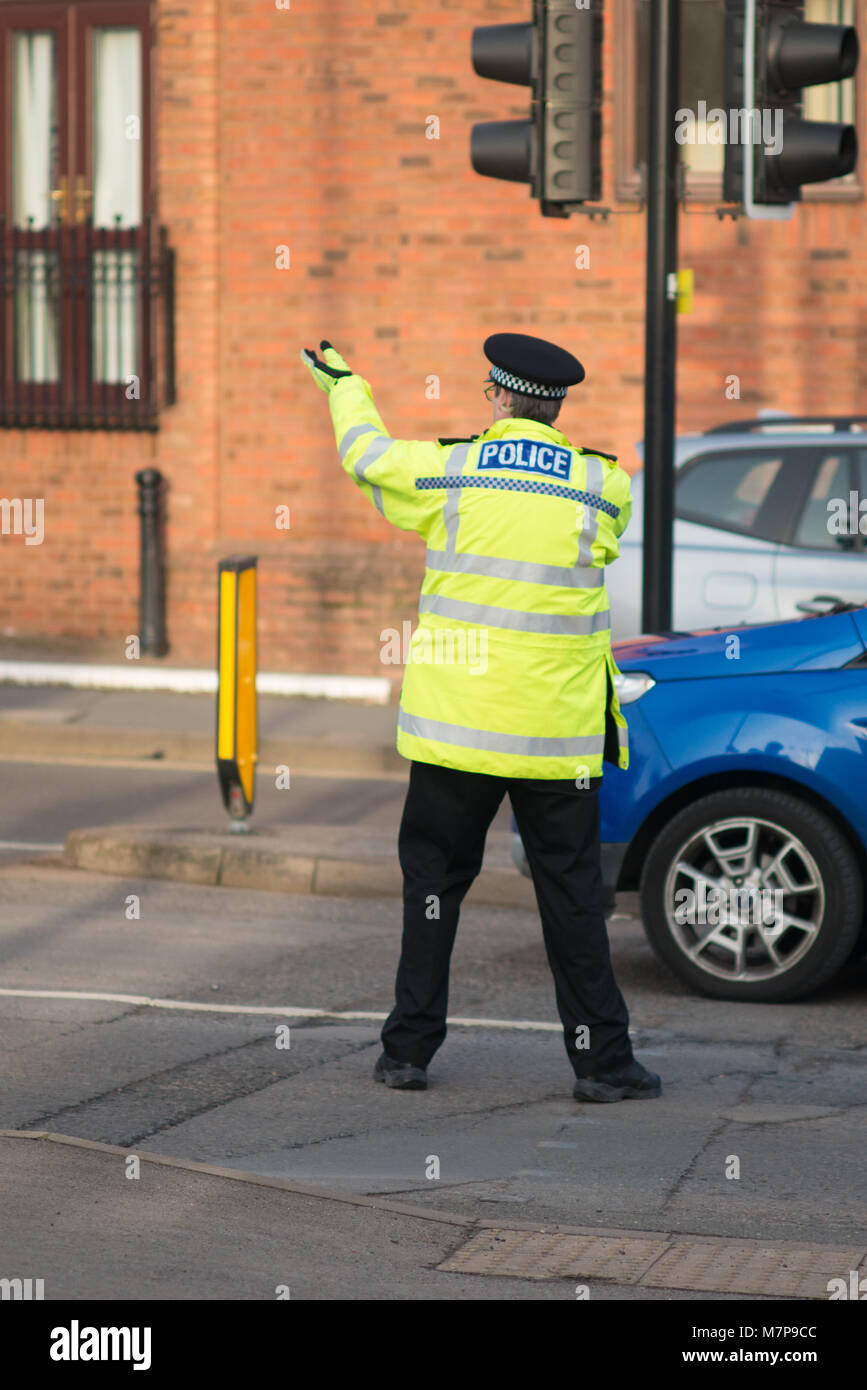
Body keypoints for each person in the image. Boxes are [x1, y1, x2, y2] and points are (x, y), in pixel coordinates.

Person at [302, 333, 661, 1104]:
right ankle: (603, 1065)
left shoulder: (452, 468)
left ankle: (406, 1053)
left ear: (496, 397)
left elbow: (366, 456)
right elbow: (600, 541)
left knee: (433, 888)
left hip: (456, 733)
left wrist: (344, 385)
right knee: (572, 900)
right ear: (557, 406)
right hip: (553, 740)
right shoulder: (603, 483)